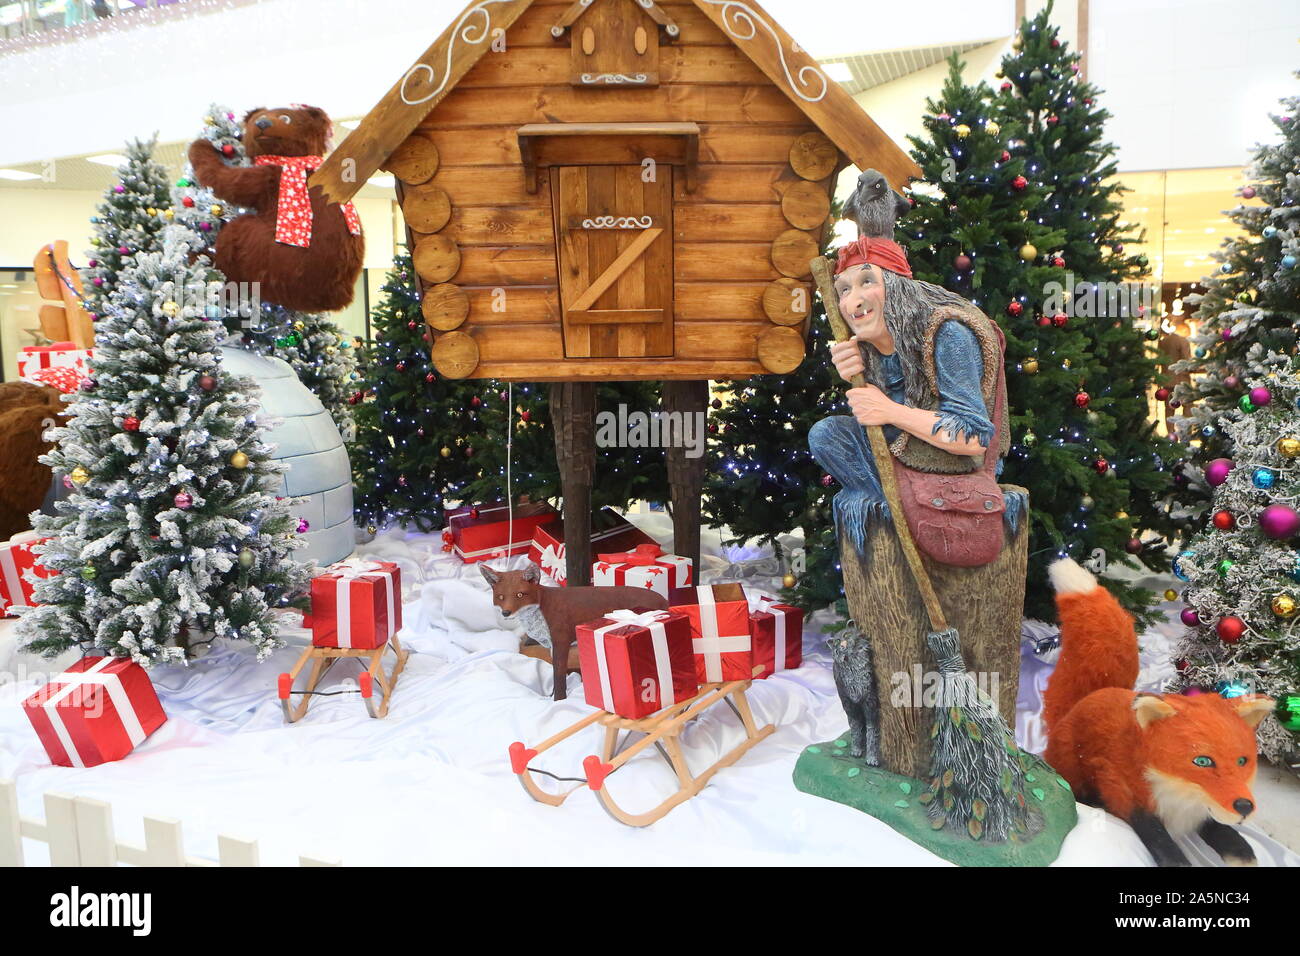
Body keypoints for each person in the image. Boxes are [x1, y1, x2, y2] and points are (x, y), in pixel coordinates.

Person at [808, 235, 1025, 552]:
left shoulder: (948, 333)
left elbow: (974, 438)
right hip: (902, 453)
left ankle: (901, 519)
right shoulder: (876, 338)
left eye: (867, 281)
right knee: (827, 434)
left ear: (897, 287)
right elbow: (879, 418)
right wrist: (859, 373)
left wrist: (888, 411)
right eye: (844, 289)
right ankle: (889, 514)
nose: (852, 301)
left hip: (949, 460)